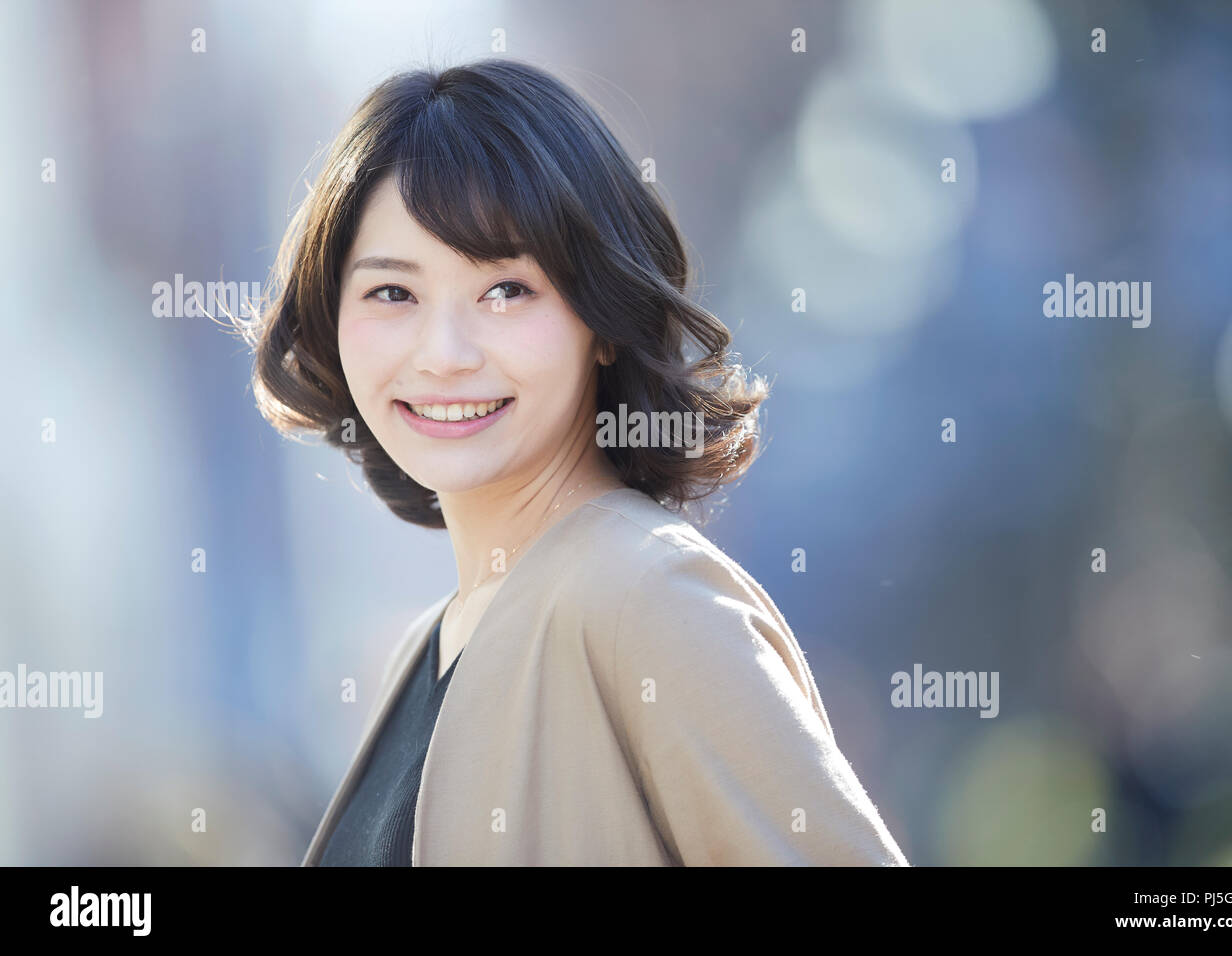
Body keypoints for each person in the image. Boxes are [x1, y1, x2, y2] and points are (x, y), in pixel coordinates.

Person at [241, 57, 908, 866]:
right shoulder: (432, 647)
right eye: (393, 293)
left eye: (506, 290)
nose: (444, 354)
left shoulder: (645, 598)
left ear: (603, 319)